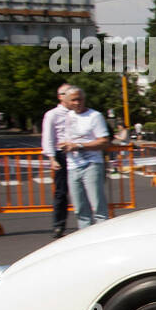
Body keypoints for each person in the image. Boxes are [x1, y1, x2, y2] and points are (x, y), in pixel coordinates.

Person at [59, 86, 110, 228]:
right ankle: (85, 235)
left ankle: (103, 234)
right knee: (80, 208)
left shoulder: (95, 116)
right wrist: (65, 145)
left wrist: (79, 146)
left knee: (98, 206)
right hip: (73, 165)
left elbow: (104, 141)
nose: (77, 103)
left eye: (79, 99)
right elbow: (69, 138)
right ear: (67, 101)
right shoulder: (68, 117)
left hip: (92, 164)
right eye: (73, 100)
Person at [40, 83, 72, 238]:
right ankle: (59, 225)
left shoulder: (78, 112)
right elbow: (48, 137)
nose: (71, 96)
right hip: (61, 155)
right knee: (61, 192)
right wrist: (52, 158)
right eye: (67, 93)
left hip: (78, 153)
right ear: (60, 96)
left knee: (83, 191)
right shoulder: (52, 114)